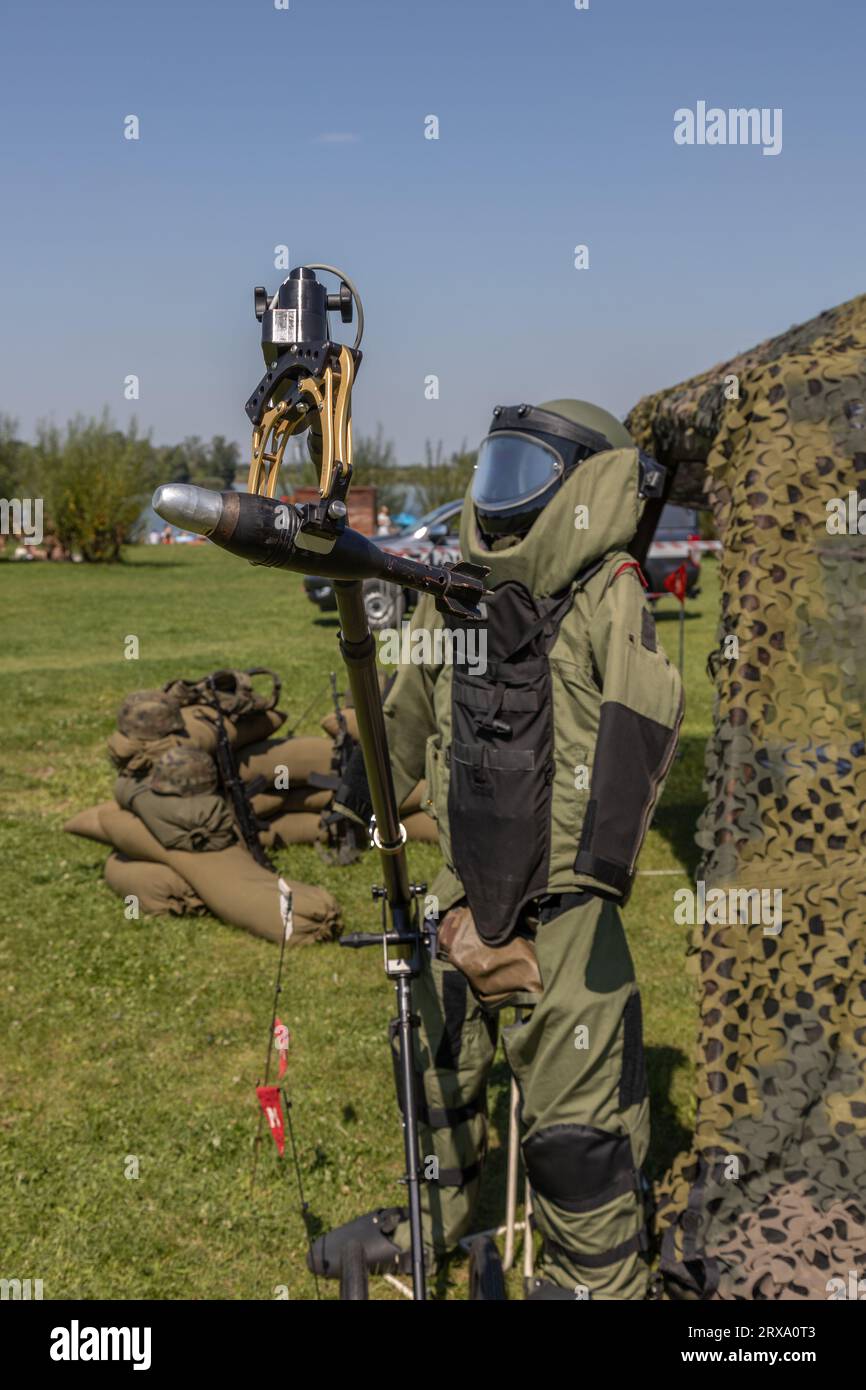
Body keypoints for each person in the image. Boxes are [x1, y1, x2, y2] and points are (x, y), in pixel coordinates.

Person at [311, 400, 684, 1299]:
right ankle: (428, 1217)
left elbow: (644, 723)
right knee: (434, 1072)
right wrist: (359, 793)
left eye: (527, 473)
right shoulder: (460, 595)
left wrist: (599, 871)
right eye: (498, 469)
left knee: (577, 1134)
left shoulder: (610, 590)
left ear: (587, 485)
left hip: (565, 913)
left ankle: (589, 1280)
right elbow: (402, 703)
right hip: (457, 888)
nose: (502, 493)